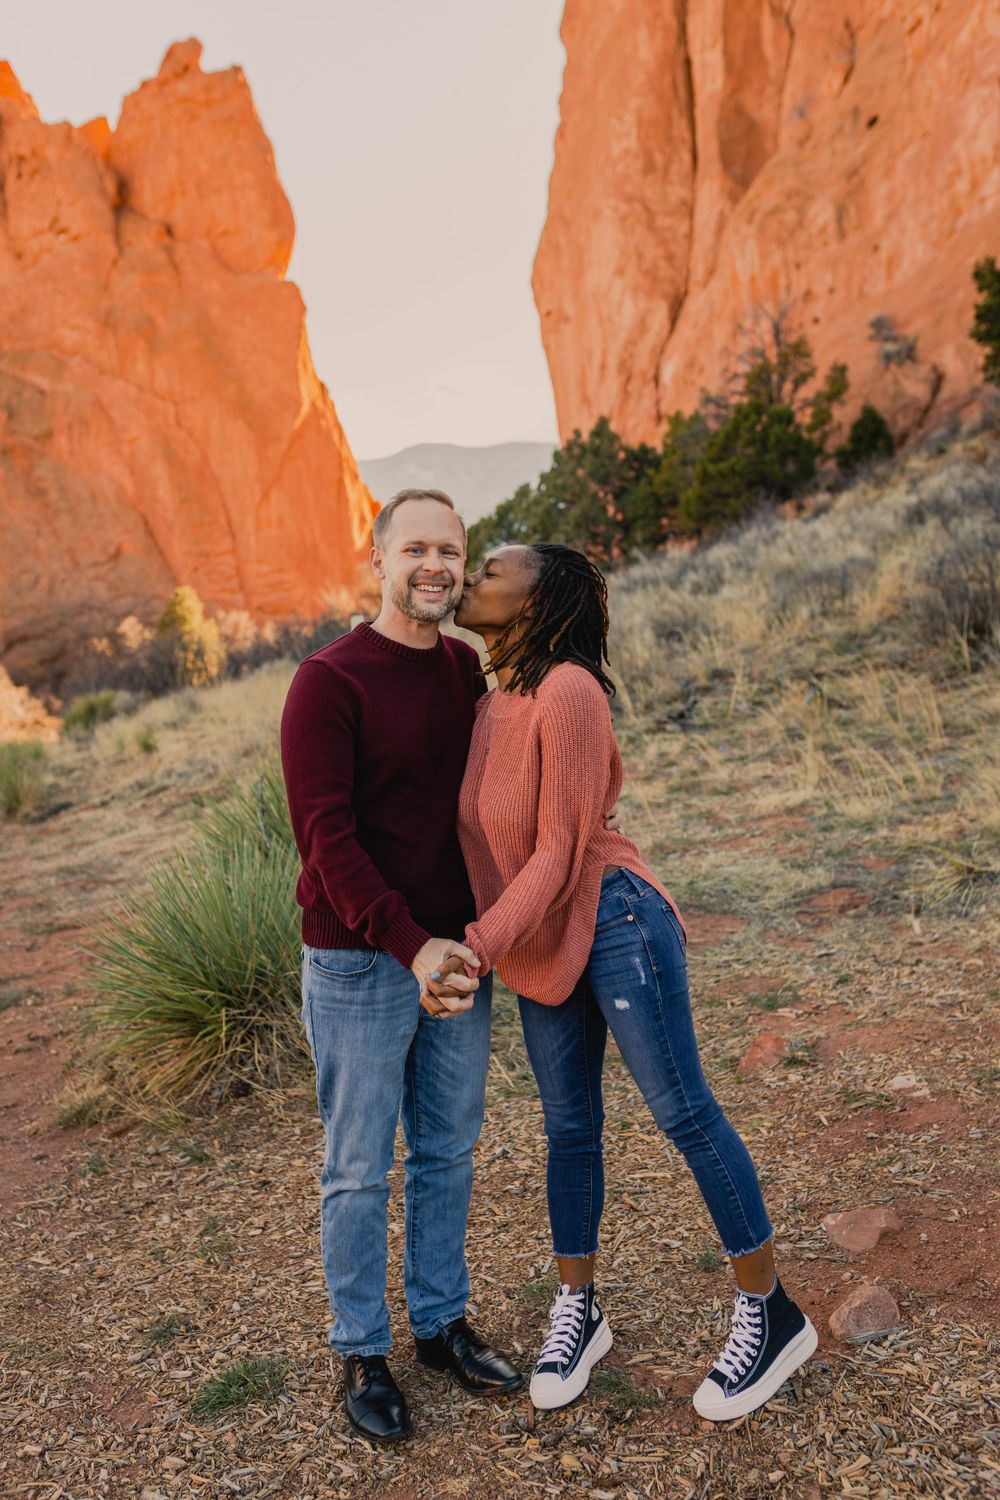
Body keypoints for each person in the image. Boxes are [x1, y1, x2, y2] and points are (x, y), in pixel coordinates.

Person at [448, 541, 817, 1422]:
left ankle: (771, 1314)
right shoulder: (491, 701)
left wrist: (478, 945)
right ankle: (578, 1311)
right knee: (569, 1127)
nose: (472, 575)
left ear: (539, 598)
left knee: (683, 1112)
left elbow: (560, 848)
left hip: (613, 917)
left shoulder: (570, 691)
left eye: (492, 568)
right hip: (541, 936)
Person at [280, 489, 524, 1444]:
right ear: (377, 559)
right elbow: (325, 840)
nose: (435, 566)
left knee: (448, 1150)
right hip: (359, 961)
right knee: (356, 1166)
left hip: (454, 953)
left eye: (450, 552)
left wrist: (468, 937)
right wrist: (407, 943)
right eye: (415, 548)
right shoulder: (326, 682)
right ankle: (361, 1350)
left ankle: (439, 1324)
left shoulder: (463, 669)